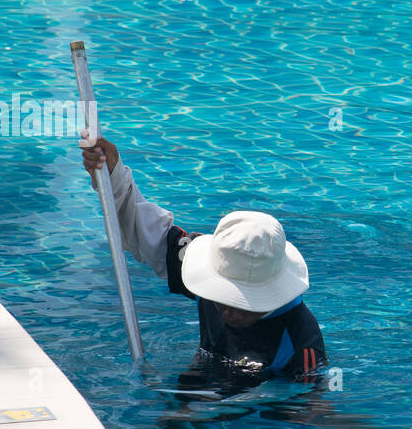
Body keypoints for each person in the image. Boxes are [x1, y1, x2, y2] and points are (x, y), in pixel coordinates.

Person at [79, 132, 325, 385]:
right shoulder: (211, 261)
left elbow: (307, 410)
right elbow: (148, 234)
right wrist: (113, 177)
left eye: (242, 304)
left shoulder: (301, 343)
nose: (228, 312)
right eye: (221, 296)